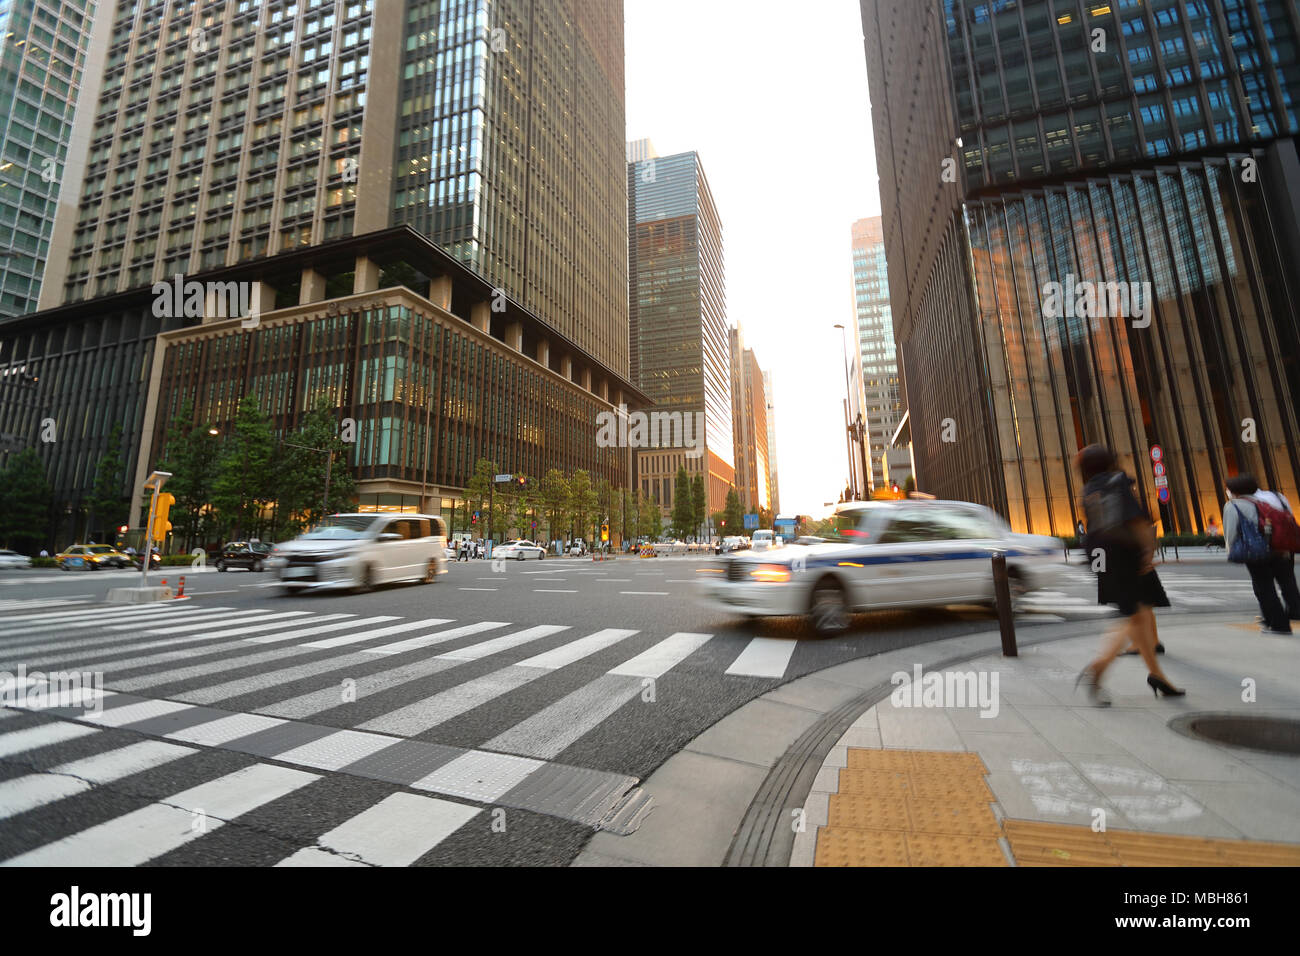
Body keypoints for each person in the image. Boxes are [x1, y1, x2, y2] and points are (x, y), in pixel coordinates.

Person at [1075, 444, 1183, 705]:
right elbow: (1136, 520)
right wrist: (1148, 551)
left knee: (1139, 614)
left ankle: (1157, 675)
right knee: (1131, 616)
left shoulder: (1088, 490)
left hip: (1099, 554)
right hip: (1124, 553)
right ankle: (1098, 667)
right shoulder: (1118, 480)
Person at [1224, 474, 1300, 634]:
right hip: (1277, 550)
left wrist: (1231, 550)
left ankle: (1279, 625)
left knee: (1264, 588)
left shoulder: (1233, 506)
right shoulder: (1265, 502)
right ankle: (1280, 619)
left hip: (1256, 552)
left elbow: (1231, 534)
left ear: (1234, 490)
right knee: (1285, 583)